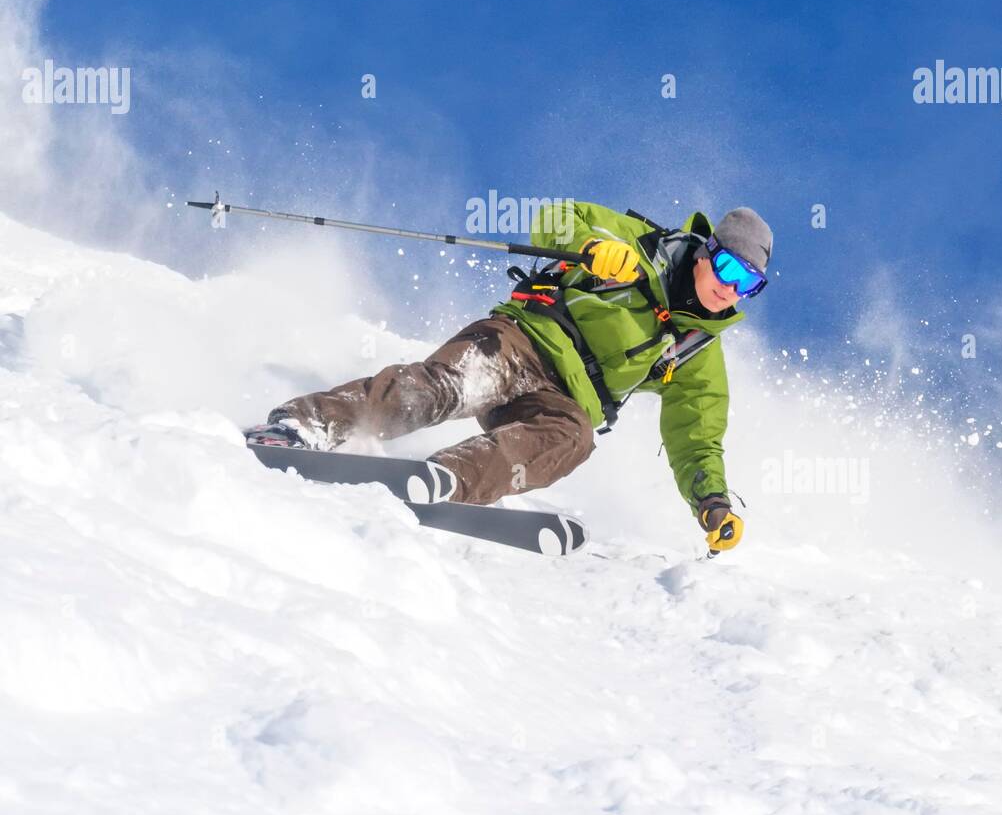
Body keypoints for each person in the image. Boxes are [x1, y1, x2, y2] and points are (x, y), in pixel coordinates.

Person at [245, 203, 773, 555]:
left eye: (749, 285)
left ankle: (448, 480)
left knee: (574, 437)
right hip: (522, 340)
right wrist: (594, 244)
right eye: (728, 270)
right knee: (445, 387)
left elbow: (696, 437)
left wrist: (712, 503)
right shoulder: (641, 247)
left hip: (565, 400)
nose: (731, 290)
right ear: (706, 251)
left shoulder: (698, 350)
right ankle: (303, 425)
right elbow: (556, 218)